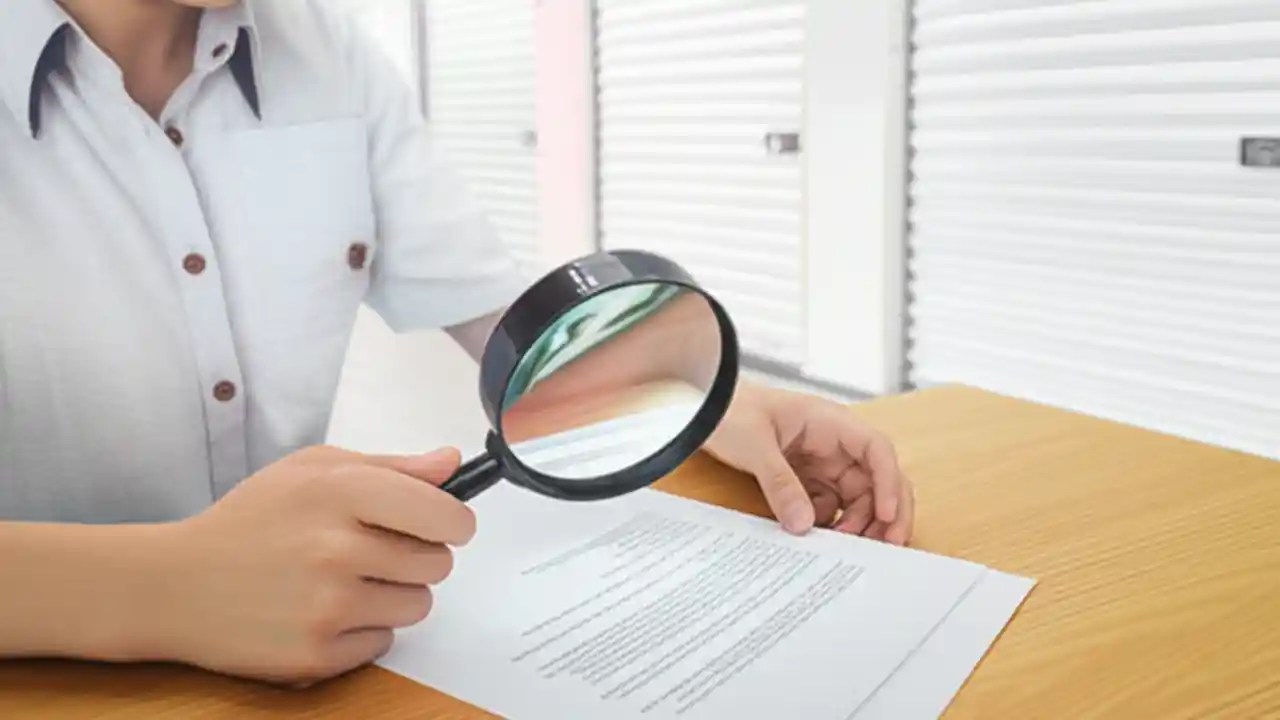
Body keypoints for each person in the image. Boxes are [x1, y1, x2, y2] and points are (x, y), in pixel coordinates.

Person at [0, 0, 915, 686]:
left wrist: (698, 392)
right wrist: (163, 588)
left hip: (324, 660)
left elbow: (502, 310)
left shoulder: (328, 51)